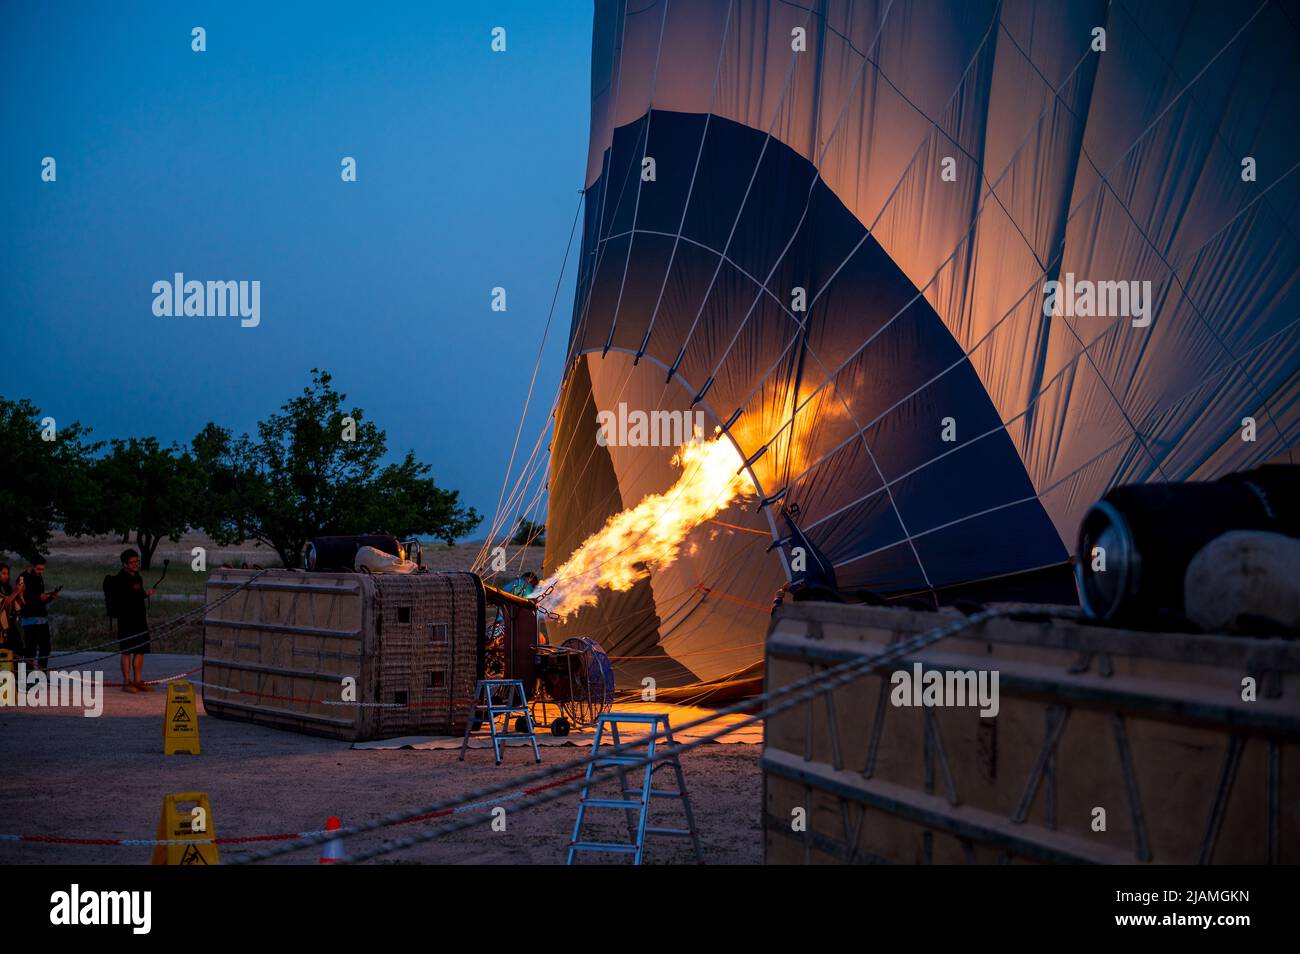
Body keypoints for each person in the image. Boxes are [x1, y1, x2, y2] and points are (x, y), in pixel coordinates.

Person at [108, 549, 156, 693]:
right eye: (132, 562)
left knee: (140, 651)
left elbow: (138, 595)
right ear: (124, 564)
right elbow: (125, 600)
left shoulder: (137, 577)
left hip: (140, 619)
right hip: (126, 620)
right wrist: (138, 597)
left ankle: (138, 681)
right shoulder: (120, 579)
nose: (135, 564)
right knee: (127, 651)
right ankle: (127, 682)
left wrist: (146, 594)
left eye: (137, 561)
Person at [17, 557, 59, 673]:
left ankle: (42, 675)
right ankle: (28, 676)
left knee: (45, 648)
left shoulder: (39, 577)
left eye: (42, 569)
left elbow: (40, 600)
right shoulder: (22, 578)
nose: (41, 571)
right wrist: (38, 597)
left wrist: (50, 597)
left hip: (42, 618)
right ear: (31, 566)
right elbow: (22, 599)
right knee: (30, 650)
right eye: (38, 569)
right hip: (29, 619)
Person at [0, 564, 26, 661]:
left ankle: (16, 674)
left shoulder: (7, 587)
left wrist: (20, 591)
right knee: (4, 651)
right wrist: (16, 591)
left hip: (10, 623)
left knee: (17, 648)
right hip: (2, 627)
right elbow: (3, 603)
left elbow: (15, 603)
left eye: (7, 574)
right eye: (3, 573)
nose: (6, 576)